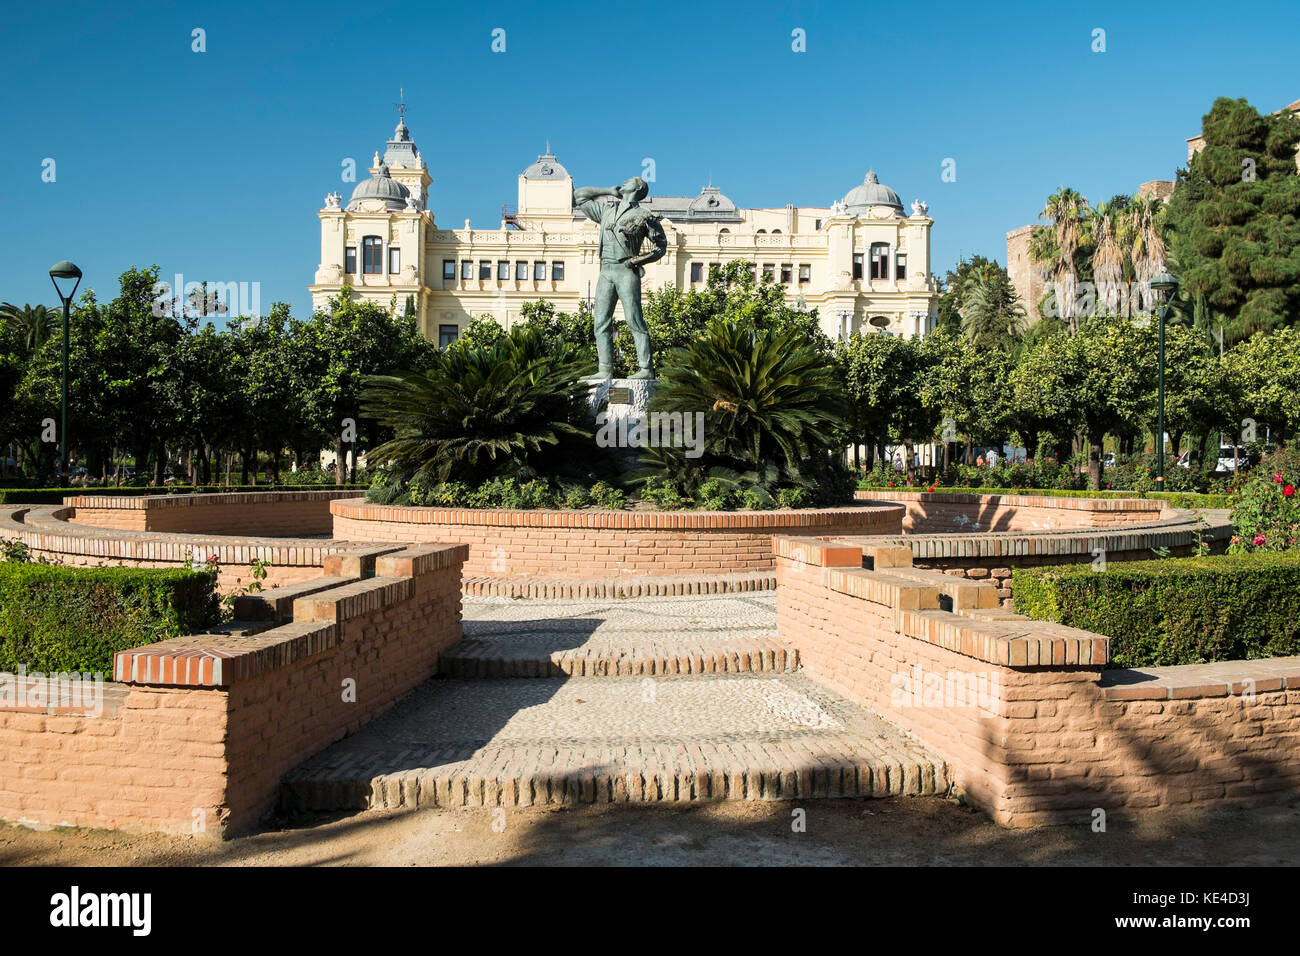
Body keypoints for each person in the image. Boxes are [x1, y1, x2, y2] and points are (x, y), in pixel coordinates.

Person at [572, 177, 668, 379]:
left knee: (634, 320)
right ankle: (605, 370)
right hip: (605, 271)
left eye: (629, 181)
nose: (623, 182)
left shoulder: (644, 215)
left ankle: (645, 369)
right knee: (600, 322)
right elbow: (579, 196)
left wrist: (638, 261)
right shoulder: (606, 210)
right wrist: (606, 189)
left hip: (626, 270)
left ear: (638, 188)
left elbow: (661, 247)